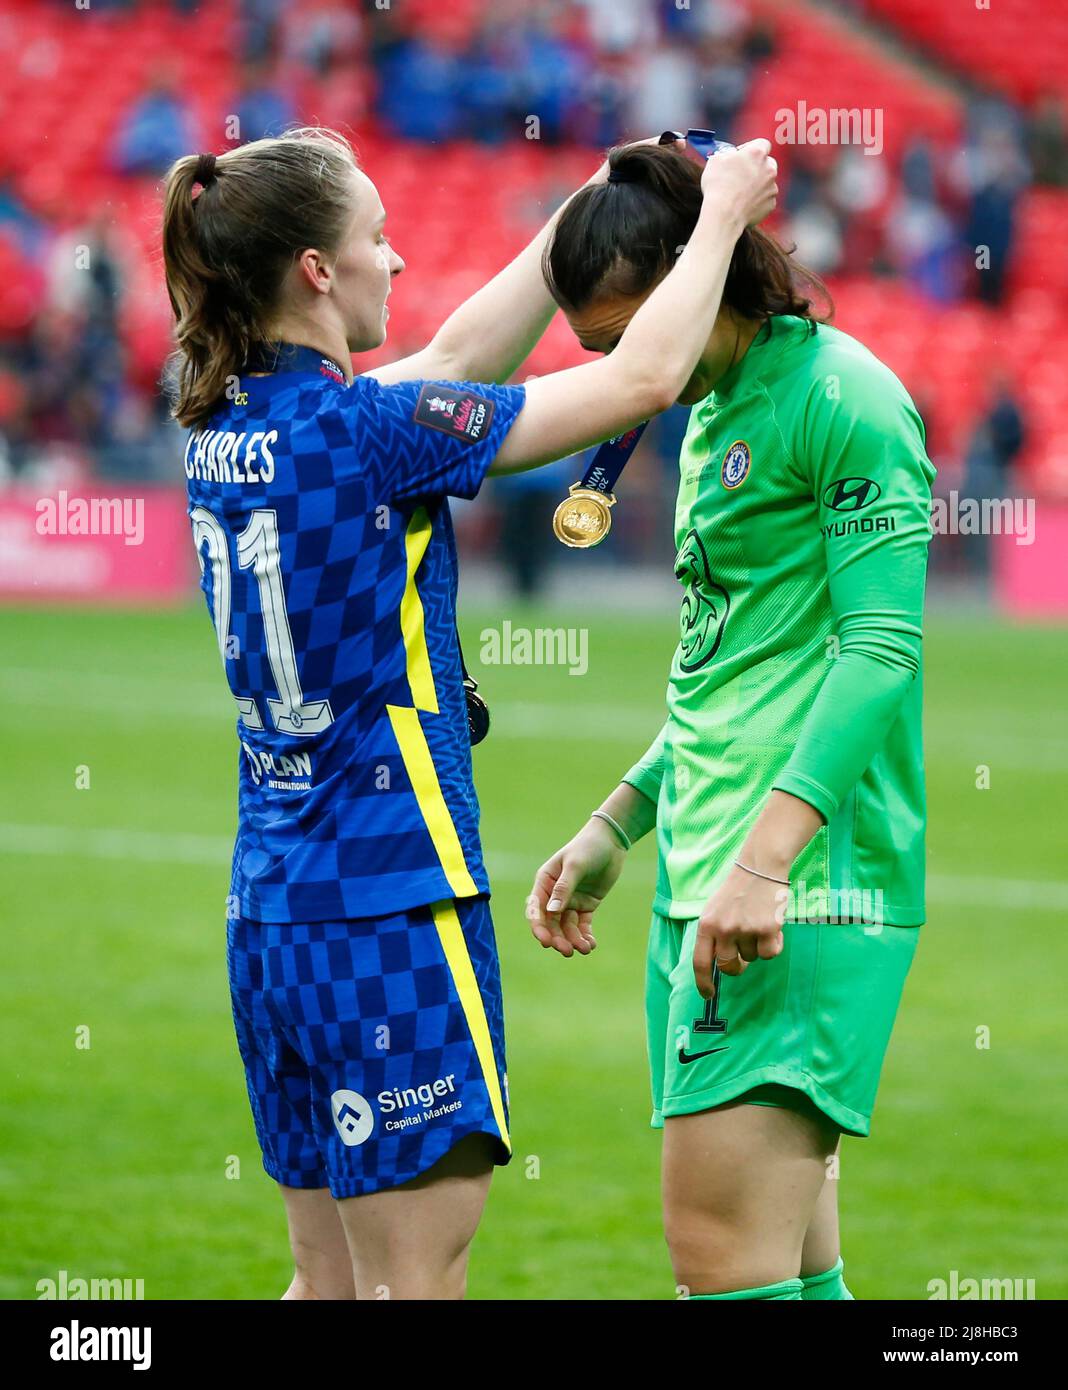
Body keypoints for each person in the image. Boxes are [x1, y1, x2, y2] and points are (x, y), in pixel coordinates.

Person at [161, 126, 777, 1300]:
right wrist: (720, 217)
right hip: (391, 903)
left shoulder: (229, 429)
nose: (396, 261)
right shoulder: (365, 434)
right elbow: (639, 382)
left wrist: (583, 208)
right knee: (413, 1288)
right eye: (377, 240)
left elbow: (451, 350)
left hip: (272, 914)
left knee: (325, 1282)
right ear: (316, 272)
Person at [527, 141, 935, 1302]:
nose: (616, 369)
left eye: (618, 337)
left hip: (792, 891)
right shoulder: (713, 413)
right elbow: (732, 673)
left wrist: (764, 866)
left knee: (721, 1268)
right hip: (708, 885)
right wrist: (621, 820)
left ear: (697, 275)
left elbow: (879, 653)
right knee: (792, 1278)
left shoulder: (844, 397)